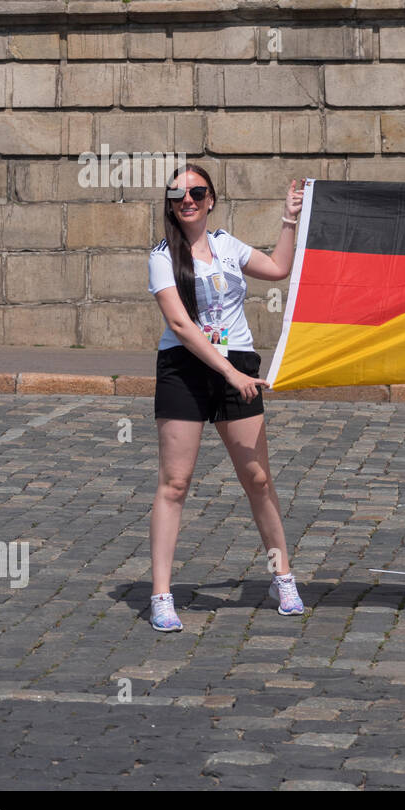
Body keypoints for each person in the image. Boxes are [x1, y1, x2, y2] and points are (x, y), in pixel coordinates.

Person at [145, 164, 306, 631]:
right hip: (185, 370)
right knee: (174, 484)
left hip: (238, 367)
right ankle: (160, 595)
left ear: (211, 198)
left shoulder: (227, 246)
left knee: (258, 479)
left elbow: (277, 269)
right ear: (171, 203)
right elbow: (180, 326)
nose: (188, 199)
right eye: (178, 193)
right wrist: (229, 373)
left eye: (197, 191)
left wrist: (289, 221)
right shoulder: (161, 256)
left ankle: (284, 577)